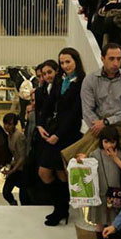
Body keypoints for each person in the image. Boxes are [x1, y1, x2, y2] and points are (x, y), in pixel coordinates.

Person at [36, 48, 84, 227]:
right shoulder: (60, 79)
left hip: (68, 133)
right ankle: (60, 208)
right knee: (46, 172)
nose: (65, 66)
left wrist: (58, 134)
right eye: (62, 63)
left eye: (68, 62)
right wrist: (40, 123)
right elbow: (48, 104)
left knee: (62, 173)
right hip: (53, 131)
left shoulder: (81, 82)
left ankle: (61, 210)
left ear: (76, 61)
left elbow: (75, 112)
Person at [86, 125, 121, 239]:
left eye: (112, 142)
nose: (109, 145)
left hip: (115, 195)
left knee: (112, 221)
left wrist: (115, 157)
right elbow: (87, 168)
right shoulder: (95, 154)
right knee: (99, 222)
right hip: (99, 194)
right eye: (106, 142)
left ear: (116, 141)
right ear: (101, 141)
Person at [1, 112, 28, 206]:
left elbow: (22, 156)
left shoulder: (19, 136)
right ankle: (14, 204)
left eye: (9, 124)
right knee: (6, 192)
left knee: (23, 196)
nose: (6, 126)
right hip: (15, 166)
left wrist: (13, 170)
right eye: (5, 123)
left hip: (21, 169)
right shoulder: (9, 135)